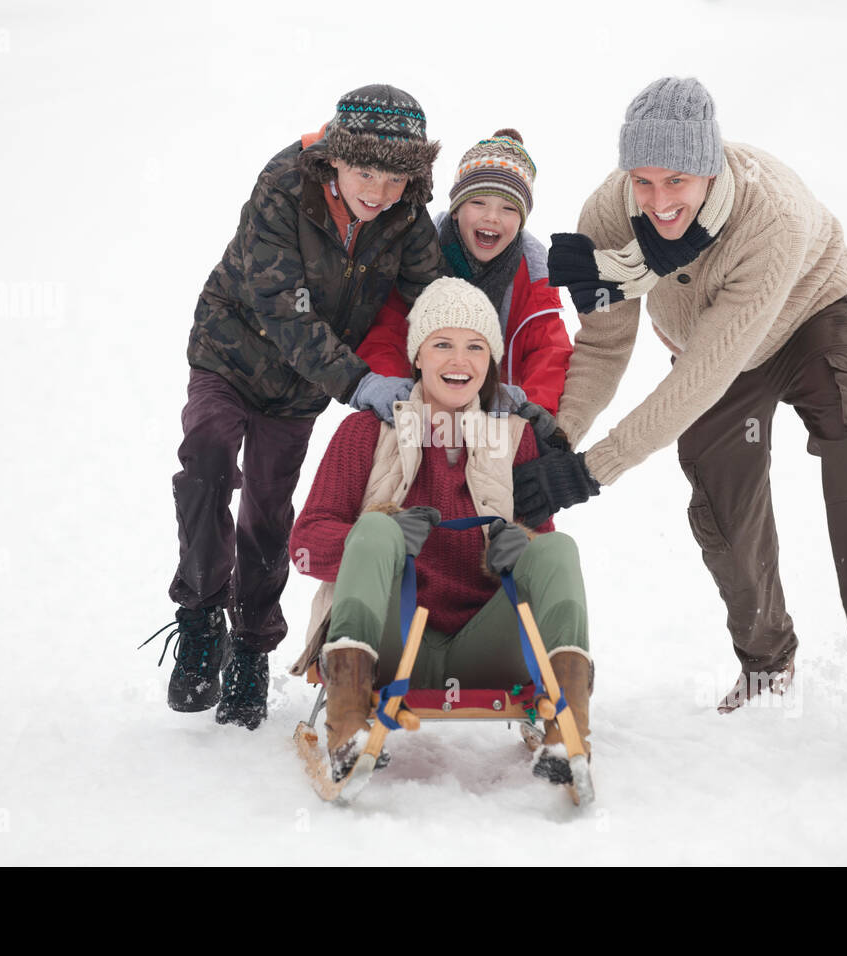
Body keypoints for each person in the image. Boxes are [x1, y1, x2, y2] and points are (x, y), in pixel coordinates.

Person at [518, 77, 847, 747]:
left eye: (677, 181)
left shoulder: (771, 216)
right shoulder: (607, 213)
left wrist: (596, 470)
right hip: (704, 340)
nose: (658, 202)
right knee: (720, 486)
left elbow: (710, 371)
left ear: (710, 169)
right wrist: (557, 444)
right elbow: (604, 345)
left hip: (814, 315)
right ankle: (767, 661)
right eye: (644, 181)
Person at [153, 84, 443, 728]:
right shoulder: (284, 186)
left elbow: (430, 296)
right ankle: (200, 615)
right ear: (335, 161)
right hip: (231, 353)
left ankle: (252, 648)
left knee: (267, 508)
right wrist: (359, 381)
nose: (379, 190)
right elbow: (282, 305)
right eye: (365, 171)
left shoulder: (406, 214)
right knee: (205, 458)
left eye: (396, 177)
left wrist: (458, 365)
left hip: (300, 391)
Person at [288, 278, 593, 784]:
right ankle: (346, 724)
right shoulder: (364, 431)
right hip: (385, 642)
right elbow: (302, 547)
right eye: (443, 344)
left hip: (486, 648)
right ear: (418, 357)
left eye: (476, 347)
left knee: (557, 548)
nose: (460, 361)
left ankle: (570, 730)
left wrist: (521, 545)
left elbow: (543, 562)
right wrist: (380, 542)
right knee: (375, 529)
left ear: (491, 362)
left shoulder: (514, 438)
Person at [352, 129, 572, 416]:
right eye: (478, 203)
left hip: (494, 413)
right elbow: (389, 328)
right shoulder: (420, 255)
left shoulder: (533, 275)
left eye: (508, 208)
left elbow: (548, 352)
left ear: (521, 220)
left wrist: (534, 411)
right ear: (456, 210)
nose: (491, 217)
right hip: (420, 405)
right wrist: (395, 390)